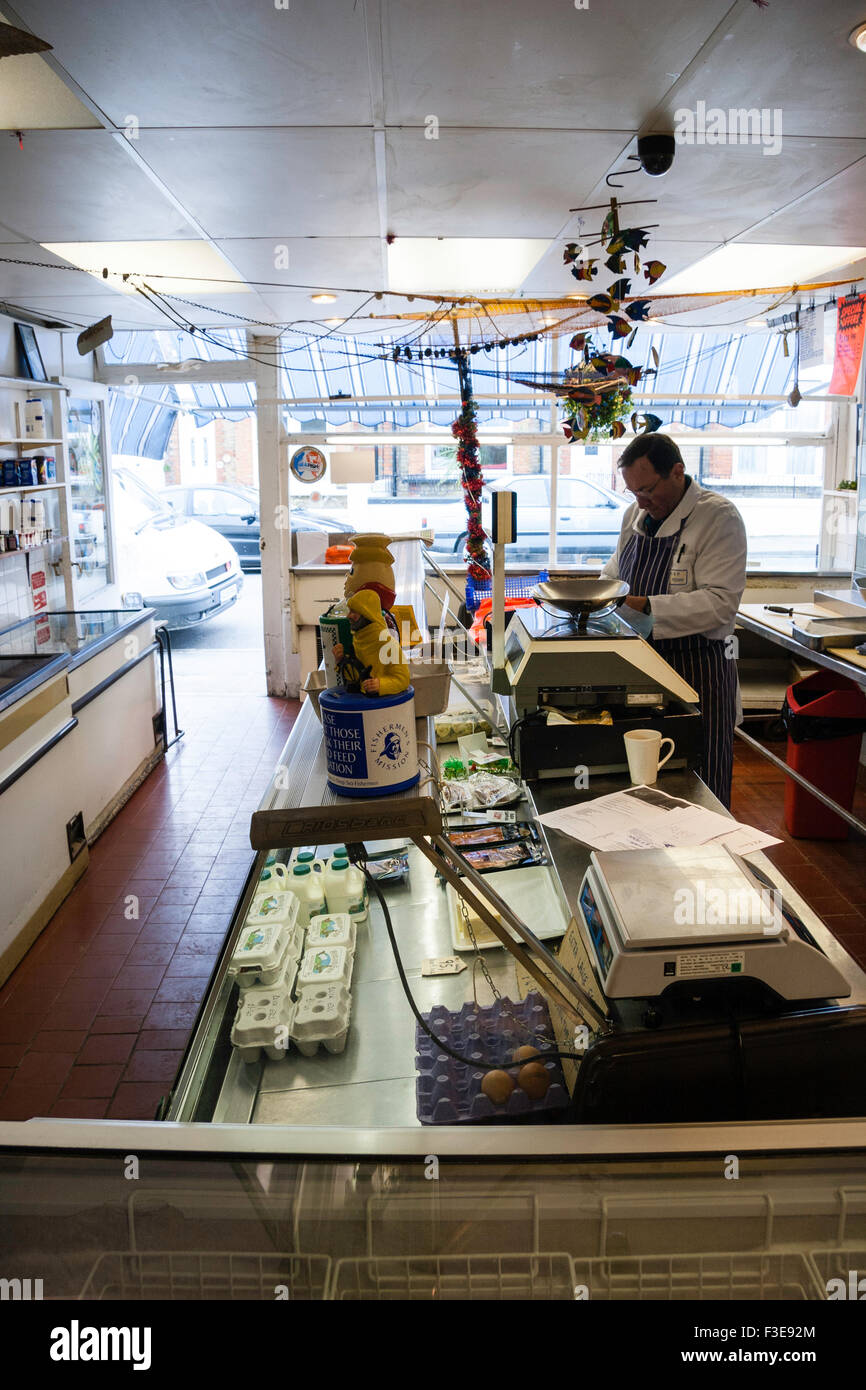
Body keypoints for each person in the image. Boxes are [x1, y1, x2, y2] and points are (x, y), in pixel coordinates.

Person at [601, 433, 747, 807]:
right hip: (642, 670)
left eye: (648, 490)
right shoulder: (635, 515)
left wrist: (643, 604)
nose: (641, 501)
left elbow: (720, 603)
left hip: (699, 673)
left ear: (678, 472)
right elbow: (613, 574)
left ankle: (712, 858)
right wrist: (595, 596)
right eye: (633, 492)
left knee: (702, 777)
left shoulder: (718, 517)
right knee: (648, 777)